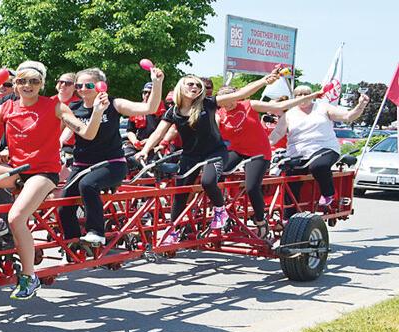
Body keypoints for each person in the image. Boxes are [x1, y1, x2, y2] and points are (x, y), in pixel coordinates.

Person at [0, 61, 96, 300]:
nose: (27, 85)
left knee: (17, 217)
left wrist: (98, 112)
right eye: (21, 81)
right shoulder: (7, 106)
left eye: (33, 81)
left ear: (41, 84)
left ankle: (29, 276)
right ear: (15, 84)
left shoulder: (55, 106)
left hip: (44, 172)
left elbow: (87, 133)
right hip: (18, 169)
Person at [137, 71, 281, 244]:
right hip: (190, 155)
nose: (195, 87)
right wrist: (145, 150)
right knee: (180, 192)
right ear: (180, 88)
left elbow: (241, 94)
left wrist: (264, 80)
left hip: (215, 152)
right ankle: (172, 230)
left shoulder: (208, 103)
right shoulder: (173, 111)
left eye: (198, 85)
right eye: (190, 84)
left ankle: (221, 211)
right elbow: (159, 133)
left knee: (208, 181)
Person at [58, 66, 165, 247]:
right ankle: (73, 242)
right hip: (82, 164)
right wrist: (59, 143)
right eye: (79, 86)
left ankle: (96, 232)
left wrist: (157, 83)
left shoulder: (114, 104)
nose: (83, 89)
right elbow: (70, 130)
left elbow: (150, 107)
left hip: (111, 164)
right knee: (64, 201)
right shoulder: (74, 107)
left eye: (88, 85)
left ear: (101, 85)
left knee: (88, 185)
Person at [215, 84, 322, 234]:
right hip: (237, 151)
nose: (229, 105)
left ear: (239, 97)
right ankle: (221, 212)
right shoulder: (219, 114)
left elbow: (281, 105)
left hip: (259, 152)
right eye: (225, 102)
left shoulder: (249, 105)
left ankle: (261, 221)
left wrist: (310, 96)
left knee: (252, 186)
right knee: (213, 174)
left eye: (232, 100)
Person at [269, 85, 370, 213]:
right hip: (298, 152)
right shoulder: (289, 114)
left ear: (312, 95)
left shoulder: (323, 107)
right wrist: (265, 145)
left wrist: (361, 105)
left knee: (318, 166)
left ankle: (328, 193)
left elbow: (348, 116)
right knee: (289, 177)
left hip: (325, 148)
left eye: (305, 94)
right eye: (298, 95)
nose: (302, 97)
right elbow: (277, 133)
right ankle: (290, 214)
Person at [126, 82, 165, 153]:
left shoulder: (164, 111)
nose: (147, 95)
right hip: (138, 145)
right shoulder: (136, 109)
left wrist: (149, 141)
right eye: (145, 92)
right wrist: (135, 141)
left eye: (150, 93)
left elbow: (166, 132)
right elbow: (130, 131)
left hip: (156, 145)